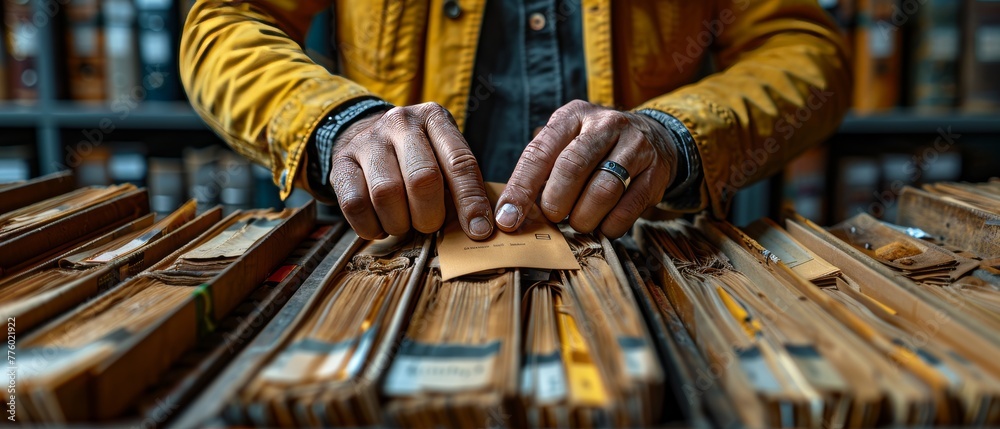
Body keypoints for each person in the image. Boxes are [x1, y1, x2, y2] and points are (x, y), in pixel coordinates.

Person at [180, 0, 850, 241]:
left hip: (639, 253)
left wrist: (674, 137)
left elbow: (804, 49)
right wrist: (337, 124)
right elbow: (226, 19)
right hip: (392, 258)